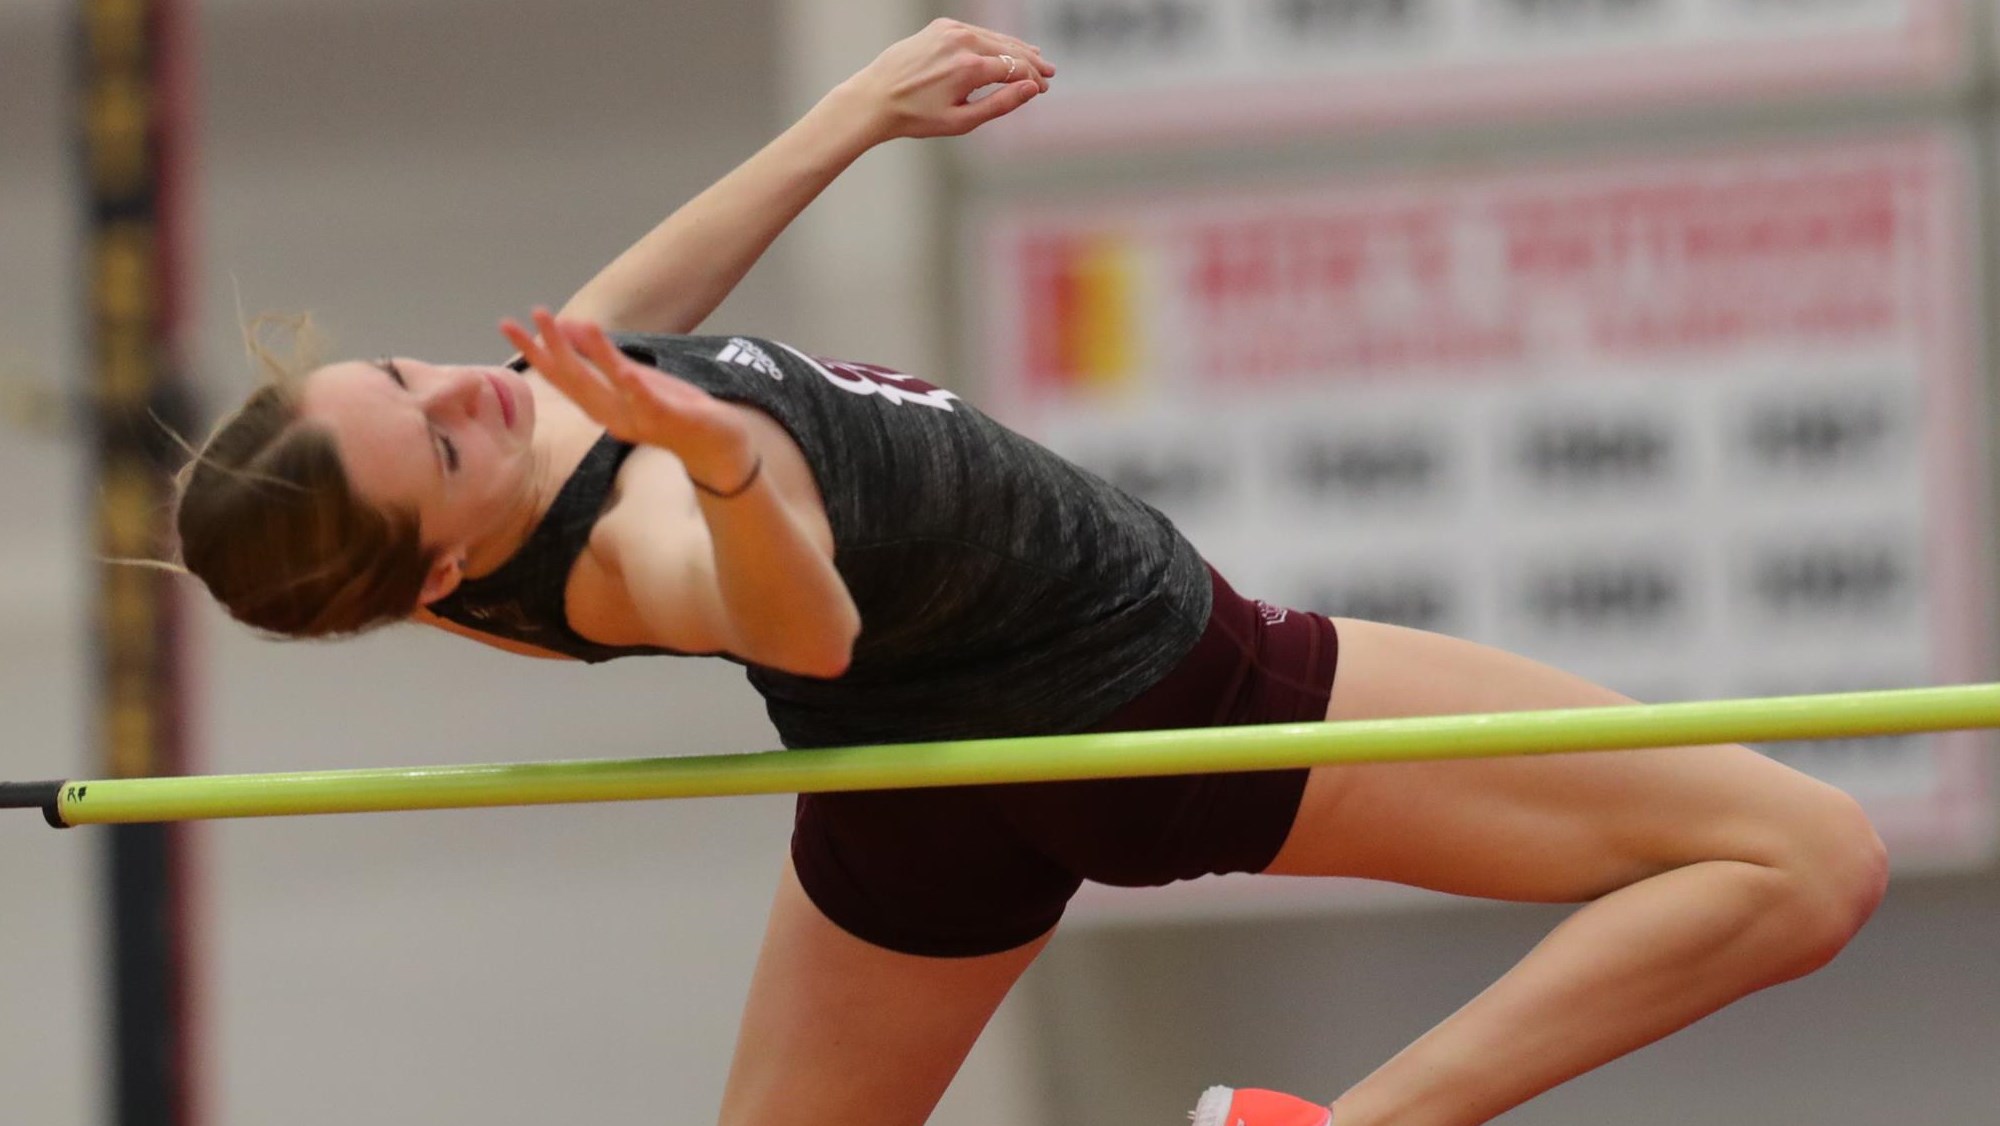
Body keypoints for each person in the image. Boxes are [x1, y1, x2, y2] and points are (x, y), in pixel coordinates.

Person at [171, 18, 1889, 1126]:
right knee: (1804, 856)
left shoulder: (502, 474)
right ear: (448, 558)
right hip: (1158, 696)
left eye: (404, 376)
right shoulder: (631, 545)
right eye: (447, 439)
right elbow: (803, 619)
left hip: (918, 802)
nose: (471, 390)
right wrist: (729, 458)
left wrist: (850, 114)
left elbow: (609, 328)